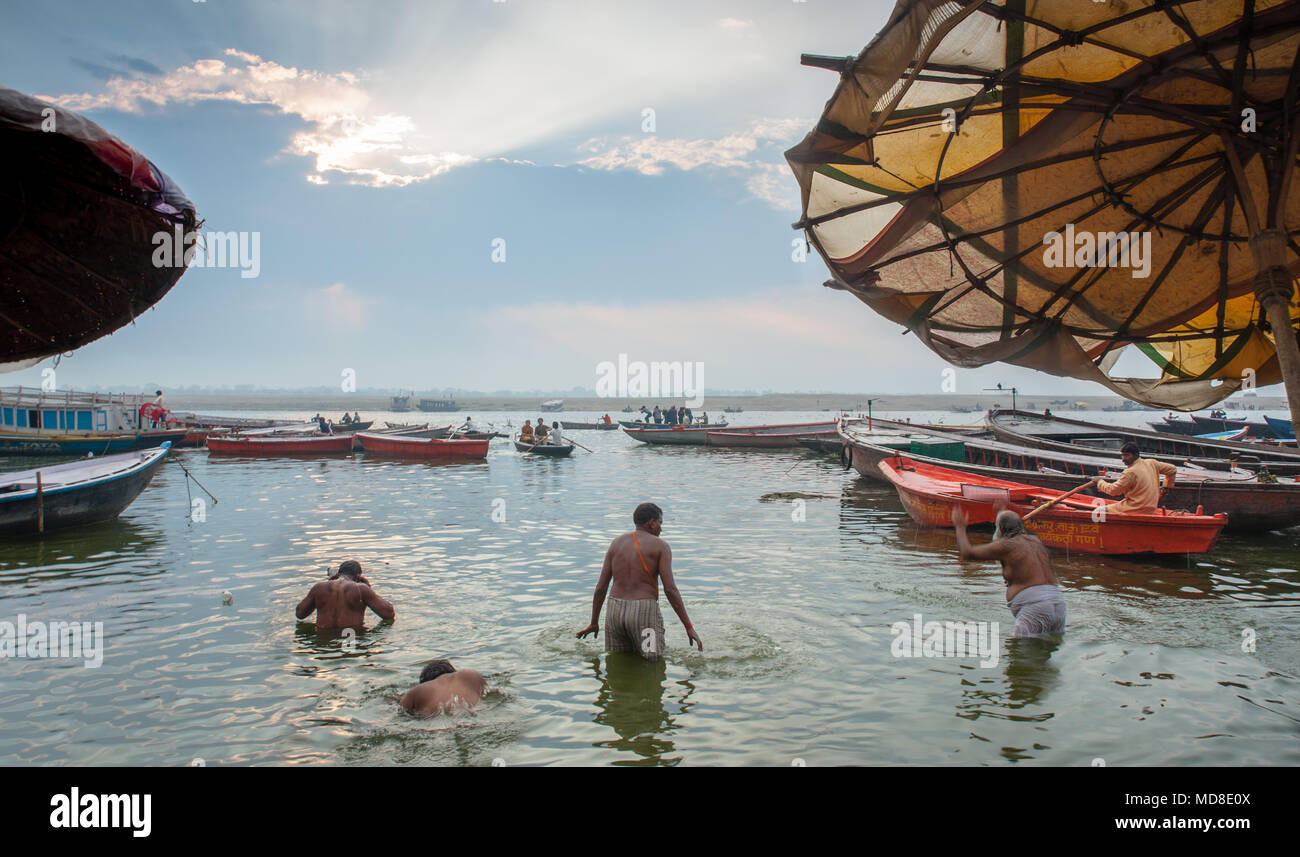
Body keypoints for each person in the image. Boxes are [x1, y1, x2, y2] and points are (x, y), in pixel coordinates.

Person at [577, 502, 703, 661]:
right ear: (651, 522)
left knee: (619, 661)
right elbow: (670, 589)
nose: (661, 528)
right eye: (660, 523)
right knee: (652, 662)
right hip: (643, 613)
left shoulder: (616, 543)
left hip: (614, 612)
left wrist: (594, 622)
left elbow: (601, 588)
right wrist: (688, 627)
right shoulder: (660, 546)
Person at [951, 508, 1065, 638]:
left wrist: (960, 527)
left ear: (1001, 529)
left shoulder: (1008, 546)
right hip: (1058, 603)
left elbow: (968, 553)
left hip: (1035, 608)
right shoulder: (1035, 541)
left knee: (1020, 655)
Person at [295, 560, 396, 629]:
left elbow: (300, 614)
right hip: (350, 636)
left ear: (337, 574)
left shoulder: (319, 587)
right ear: (358, 576)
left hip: (323, 638)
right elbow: (389, 613)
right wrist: (368, 588)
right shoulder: (361, 589)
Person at [1091, 442, 1176, 514]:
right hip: (1151, 508)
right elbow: (1172, 469)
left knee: (1098, 511)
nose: (1123, 459)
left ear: (1136, 455)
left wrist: (1099, 482)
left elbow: (1113, 490)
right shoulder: (1152, 463)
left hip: (1135, 508)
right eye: (1122, 456)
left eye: (1127, 455)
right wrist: (1167, 486)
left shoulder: (1130, 472)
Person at [399, 659, 487, 715]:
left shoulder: (417, 691)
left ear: (425, 682)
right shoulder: (470, 675)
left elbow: (401, 714)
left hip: (437, 723)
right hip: (474, 713)